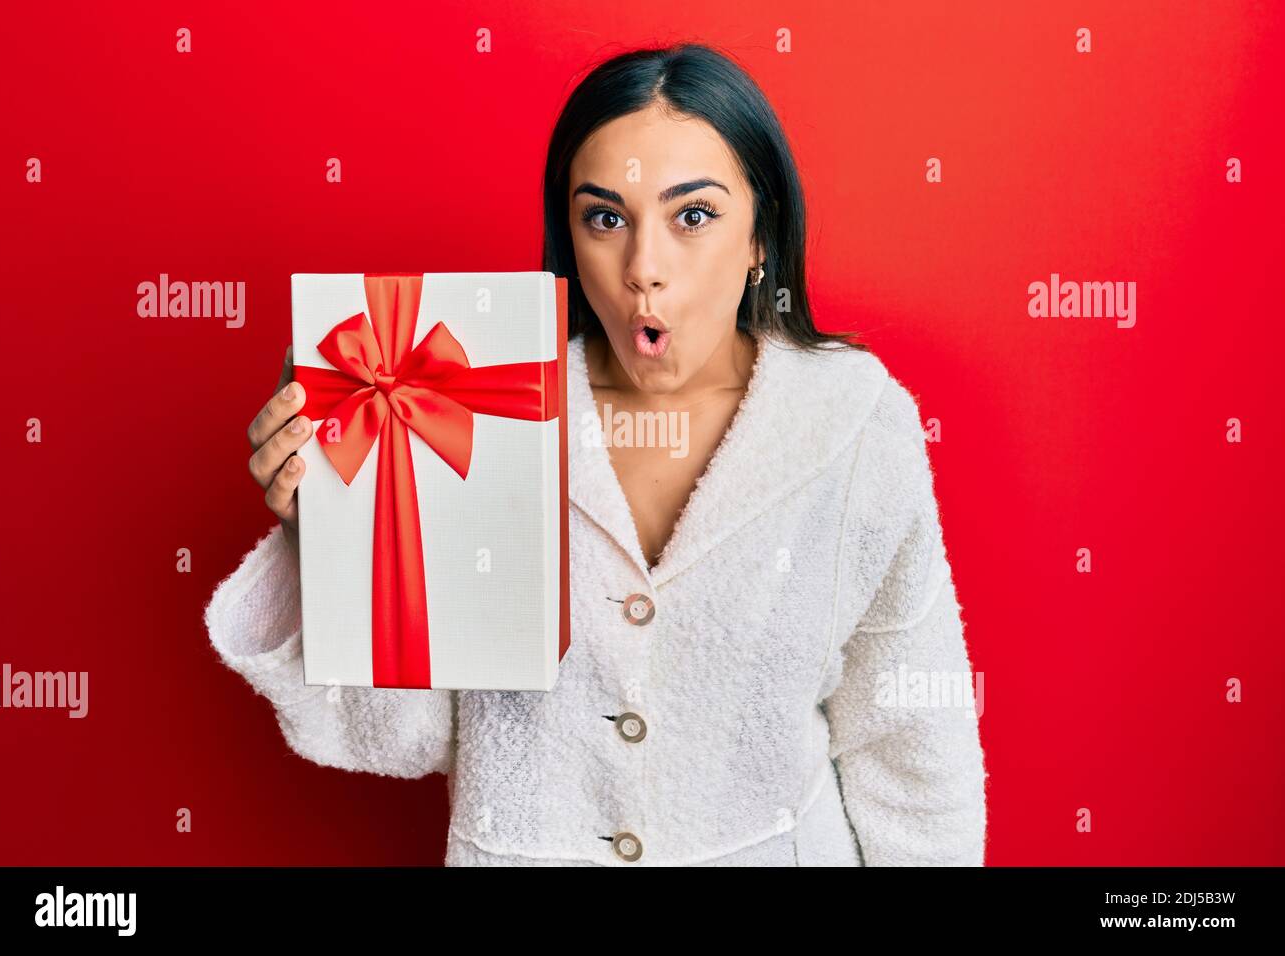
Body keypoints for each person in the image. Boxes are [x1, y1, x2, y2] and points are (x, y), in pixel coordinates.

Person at [205, 42, 988, 866]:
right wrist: (328, 536)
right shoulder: (465, 414)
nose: (643, 270)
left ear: (763, 236)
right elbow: (401, 736)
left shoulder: (855, 427)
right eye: (605, 218)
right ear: (570, 237)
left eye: (694, 216)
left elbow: (912, 752)